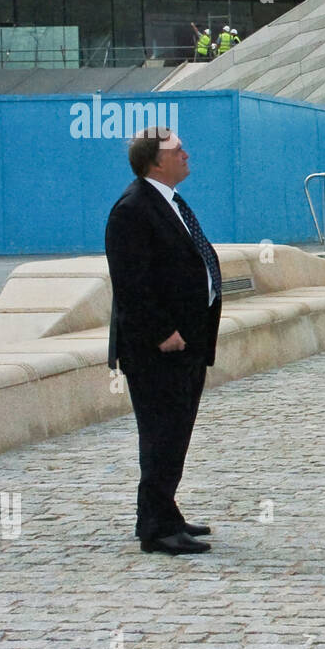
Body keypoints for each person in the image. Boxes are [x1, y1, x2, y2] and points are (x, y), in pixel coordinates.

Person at [106, 127, 222, 555]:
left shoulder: (167, 201)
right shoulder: (132, 209)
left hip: (187, 342)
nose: (186, 154)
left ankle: (166, 512)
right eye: (177, 150)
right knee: (160, 434)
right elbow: (131, 284)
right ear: (156, 162)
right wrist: (162, 333)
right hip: (159, 349)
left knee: (175, 433)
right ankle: (155, 529)